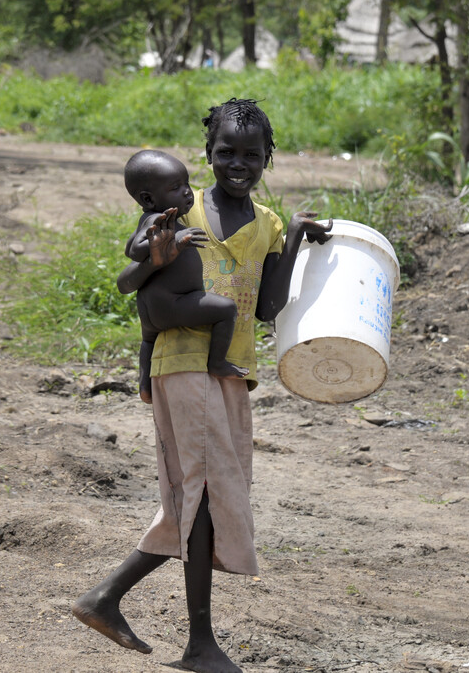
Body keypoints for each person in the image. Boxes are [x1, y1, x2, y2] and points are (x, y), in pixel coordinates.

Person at [74, 98, 332, 673]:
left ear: (268, 157)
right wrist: (150, 261)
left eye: (250, 155)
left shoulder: (265, 224)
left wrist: (291, 240)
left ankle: (107, 597)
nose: (236, 164)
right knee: (201, 497)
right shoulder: (178, 207)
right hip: (184, 364)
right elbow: (133, 279)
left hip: (231, 369)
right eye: (224, 153)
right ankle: (198, 644)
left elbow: (265, 309)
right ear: (207, 154)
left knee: (205, 496)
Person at [122, 149, 247, 404]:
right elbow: (135, 250)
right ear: (148, 199)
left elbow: (128, 246)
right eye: (176, 187)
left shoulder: (156, 218)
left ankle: (145, 387)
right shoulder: (157, 219)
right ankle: (217, 362)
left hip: (151, 306)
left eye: (187, 183)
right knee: (226, 309)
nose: (187, 192)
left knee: (148, 341)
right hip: (173, 302)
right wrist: (175, 239)